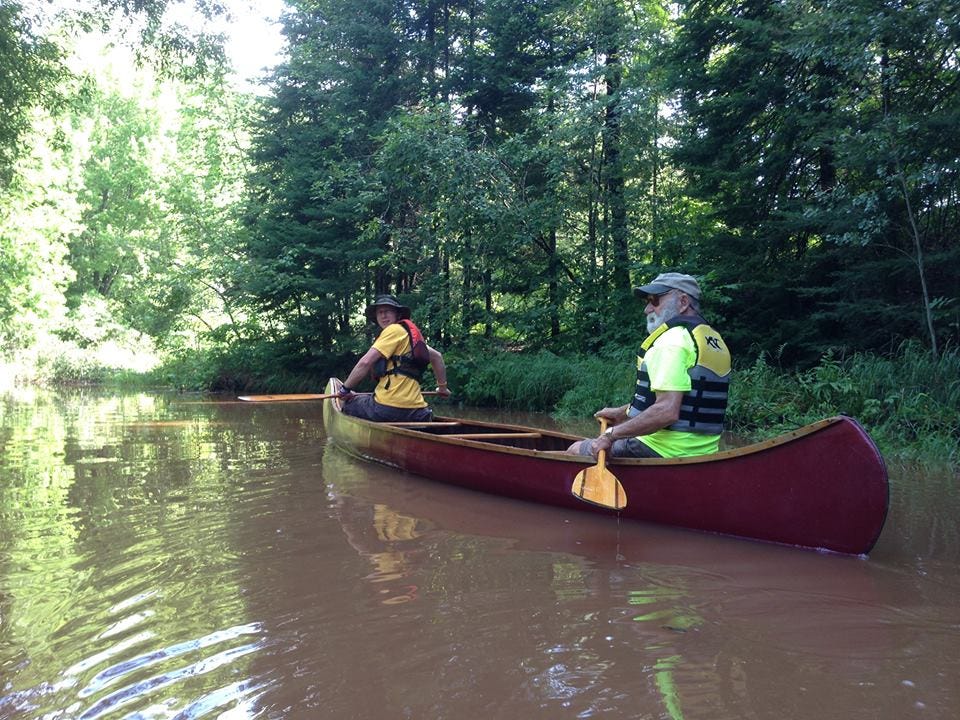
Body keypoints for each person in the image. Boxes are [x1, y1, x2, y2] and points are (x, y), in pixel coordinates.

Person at [567, 272, 731, 459]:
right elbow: (681, 400)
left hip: (662, 450)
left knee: (574, 450)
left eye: (655, 301)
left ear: (683, 302)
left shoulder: (671, 341)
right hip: (703, 454)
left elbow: (667, 411)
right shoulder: (712, 340)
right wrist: (623, 413)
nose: (647, 309)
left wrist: (611, 434)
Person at [338, 294, 451, 422]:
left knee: (350, 404)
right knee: (363, 399)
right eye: (380, 312)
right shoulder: (408, 337)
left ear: (397, 315)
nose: (383, 316)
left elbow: (365, 362)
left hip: (387, 409)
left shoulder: (393, 330)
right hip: (418, 412)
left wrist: (345, 389)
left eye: (387, 311)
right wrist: (442, 387)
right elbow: (437, 357)